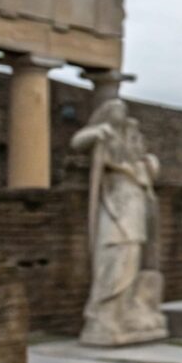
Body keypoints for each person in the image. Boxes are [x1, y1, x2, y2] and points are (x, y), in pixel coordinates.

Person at [71, 99, 166, 346]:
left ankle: (124, 310)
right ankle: (104, 312)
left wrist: (145, 165)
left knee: (133, 254)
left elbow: (147, 164)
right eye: (115, 110)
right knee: (113, 254)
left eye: (123, 110)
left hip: (135, 201)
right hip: (115, 202)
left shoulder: (132, 144)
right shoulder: (104, 135)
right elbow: (78, 142)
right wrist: (96, 131)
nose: (121, 114)